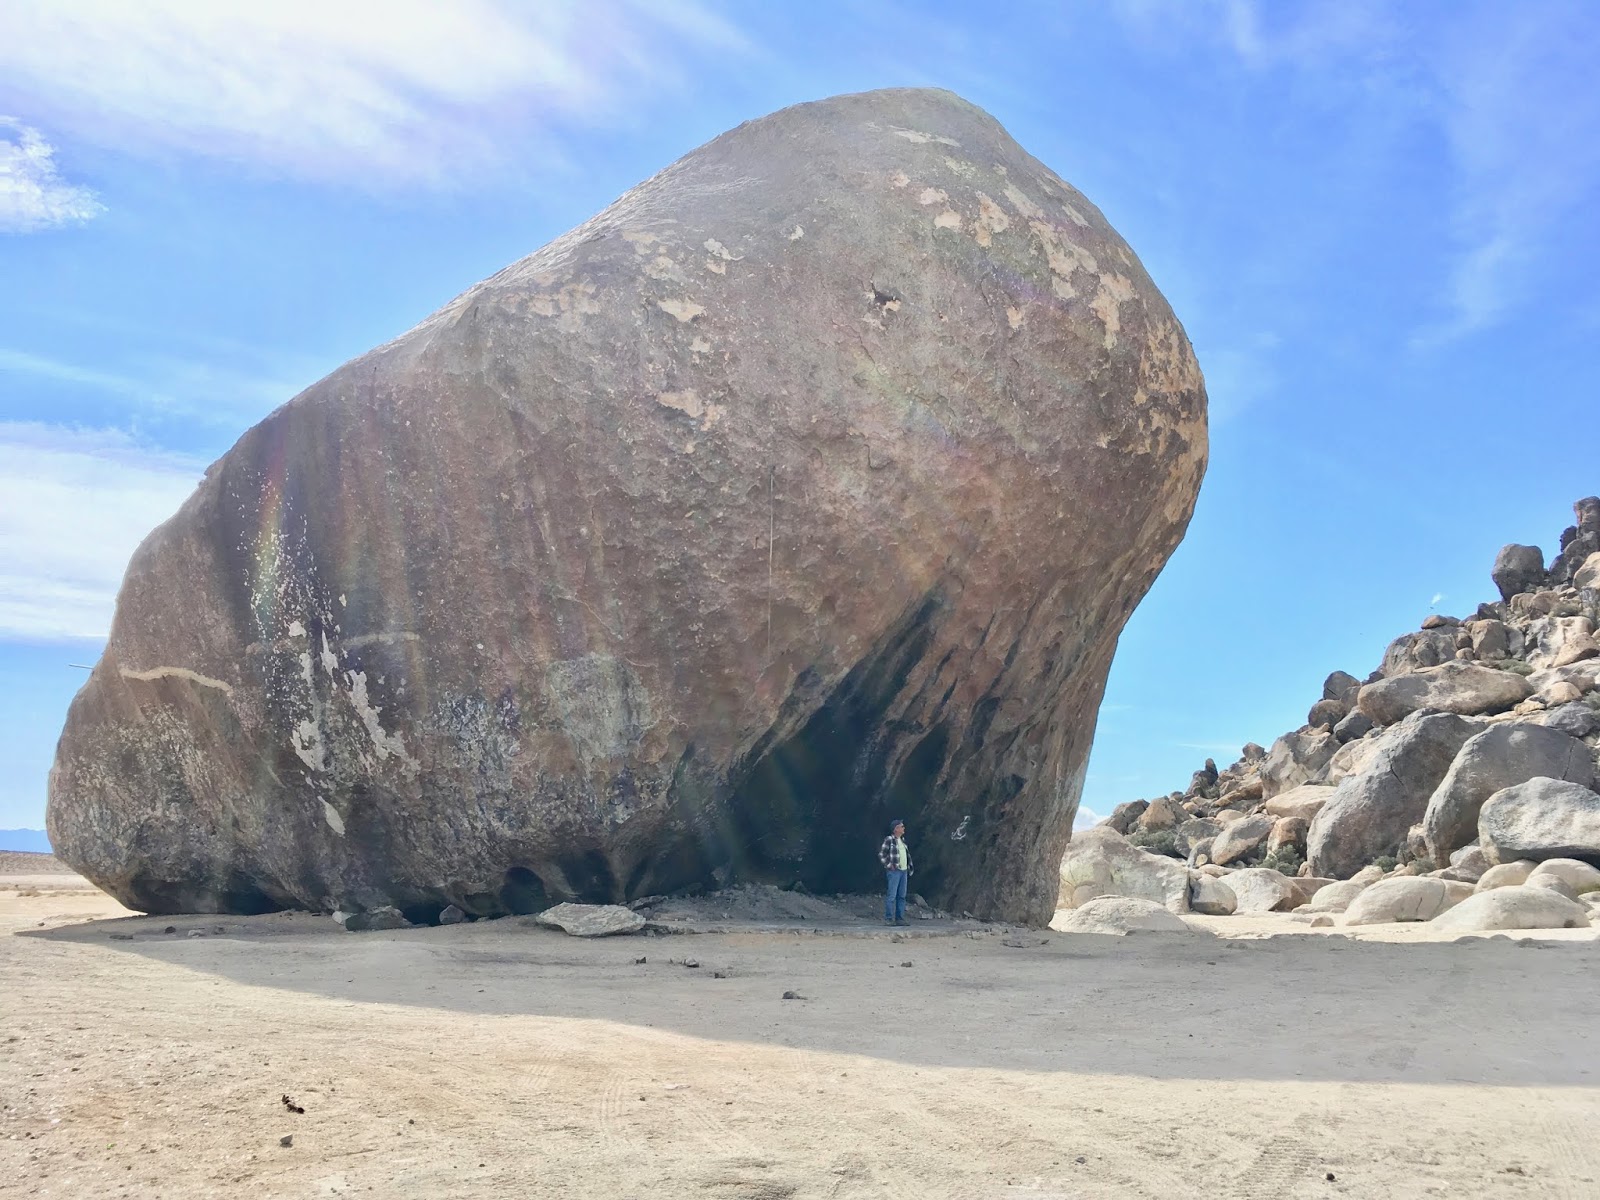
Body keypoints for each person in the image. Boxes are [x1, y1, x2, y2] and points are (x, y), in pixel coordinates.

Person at [878, 819, 912, 926]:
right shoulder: (889, 840)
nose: (903, 828)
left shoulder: (903, 840)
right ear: (896, 829)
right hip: (894, 871)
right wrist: (889, 865)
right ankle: (888, 918)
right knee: (892, 895)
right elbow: (882, 854)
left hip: (903, 871)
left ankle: (899, 918)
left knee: (902, 895)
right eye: (901, 826)